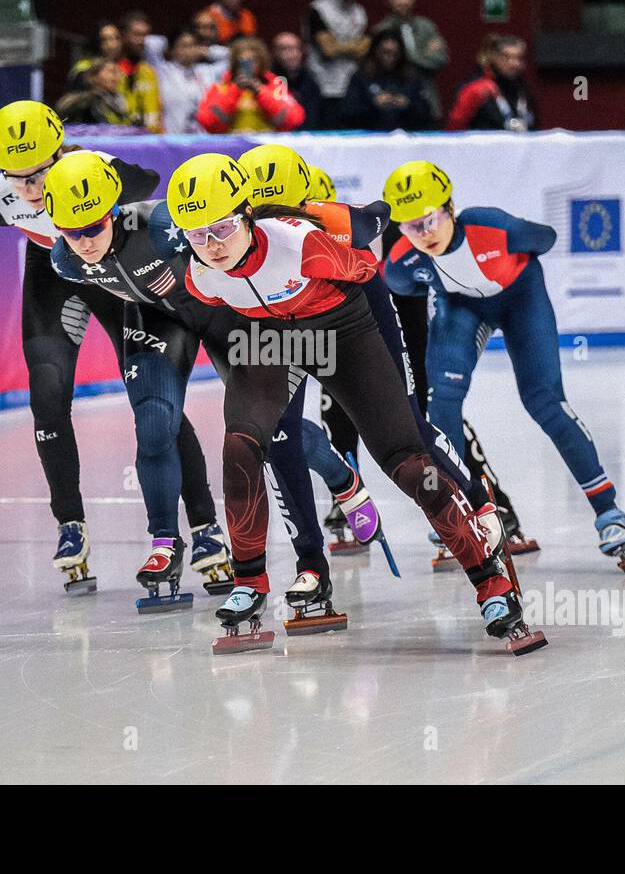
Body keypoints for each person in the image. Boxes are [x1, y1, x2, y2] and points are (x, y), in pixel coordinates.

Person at [167, 153, 547, 654]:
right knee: (240, 447)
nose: (212, 246)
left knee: (407, 462)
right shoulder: (200, 273)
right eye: (197, 235)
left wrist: (339, 228)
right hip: (272, 338)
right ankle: (249, 581)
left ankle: (488, 577)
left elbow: (368, 266)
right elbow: (214, 307)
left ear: (247, 214)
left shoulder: (302, 241)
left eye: (220, 228)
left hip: (343, 332)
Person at [40, 152, 361, 622]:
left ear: (112, 210)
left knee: (271, 432)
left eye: (93, 227)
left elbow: (229, 222)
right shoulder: (65, 260)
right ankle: (165, 542)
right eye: (73, 232)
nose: (85, 241)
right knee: (153, 421)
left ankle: (340, 476)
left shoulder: (163, 225)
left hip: (222, 314)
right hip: (158, 322)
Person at [0, 101, 230, 590]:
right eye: (17, 178)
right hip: (56, 275)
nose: (29, 191)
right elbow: (15, 209)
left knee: (155, 404)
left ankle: (203, 525)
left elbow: (151, 187)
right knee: (47, 394)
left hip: (115, 276)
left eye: (40, 175)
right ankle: (69, 524)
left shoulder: (101, 171)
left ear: (61, 154)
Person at [233, 144, 513, 564]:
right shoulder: (232, 236)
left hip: (356, 318)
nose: (273, 224)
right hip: (284, 324)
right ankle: (335, 500)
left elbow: (381, 217)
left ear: (302, 201)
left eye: (282, 211)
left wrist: (345, 224)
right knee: (281, 431)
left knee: (407, 423)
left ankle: (476, 494)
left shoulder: (329, 218)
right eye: (261, 212)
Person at [381, 160, 625, 573]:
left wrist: (505, 264)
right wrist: (442, 288)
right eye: (410, 227)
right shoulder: (402, 261)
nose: (424, 235)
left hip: (521, 297)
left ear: (450, 207)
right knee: (440, 407)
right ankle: (457, 509)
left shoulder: (492, 226)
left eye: (430, 220)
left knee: (544, 401)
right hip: (463, 308)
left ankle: (609, 514)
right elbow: (400, 284)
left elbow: (544, 238)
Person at [305, 0, 370, 129]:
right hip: (324, 87)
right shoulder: (318, 10)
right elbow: (328, 50)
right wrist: (354, 46)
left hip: (352, 86)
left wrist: (339, 45)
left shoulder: (359, 11)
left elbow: (366, 49)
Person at [373, 0, 449, 121]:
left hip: (427, 98)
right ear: (388, 0)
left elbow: (441, 59)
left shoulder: (427, 27)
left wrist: (406, 56)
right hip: (394, 100)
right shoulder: (381, 30)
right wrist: (422, 54)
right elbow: (385, 64)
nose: (402, 1)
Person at [196, 37, 305, 133]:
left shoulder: (275, 86)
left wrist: (260, 92)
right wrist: (235, 91)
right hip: (232, 149)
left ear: (262, 61)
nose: (249, 65)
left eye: (254, 60)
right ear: (235, 62)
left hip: (266, 148)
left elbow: (295, 119)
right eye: (243, 61)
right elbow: (207, 122)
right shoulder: (222, 87)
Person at [340, 28, 435, 131]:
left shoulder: (411, 77)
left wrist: (408, 105)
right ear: (375, 51)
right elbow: (348, 112)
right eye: (385, 52)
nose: (389, 57)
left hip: (405, 136)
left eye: (395, 53)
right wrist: (373, 104)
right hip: (369, 135)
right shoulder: (361, 76)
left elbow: (426, 114)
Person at [447, 34, 536, 131]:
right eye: (506, 57)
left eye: (519, 58)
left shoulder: (523, 88)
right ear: (493, 57)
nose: (514, 63)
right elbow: (454, 129)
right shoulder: (475, 89)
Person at [149, 28, 217, 134]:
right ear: (172, 50)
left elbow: (227, 57)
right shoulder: (163, 70)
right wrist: (167, 43)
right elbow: (151, 43)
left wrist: (207, 51)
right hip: (173, 139)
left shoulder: (206, 71)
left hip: (201, 140)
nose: (189, 50)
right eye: (184, 46)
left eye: (193, 45)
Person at [116, 11, 163, 133]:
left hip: (149, 143)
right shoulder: (110, 71)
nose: (141, 40)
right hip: (117, 142)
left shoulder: (149, 72)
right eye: (136, 34)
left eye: (144, 35)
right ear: (123, 35)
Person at [54, 59, 131, 126]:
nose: (117, 77)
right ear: (93, 77)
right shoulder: (81, 103)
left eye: (118, 72)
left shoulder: (118, 102)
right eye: (111, 72)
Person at [270, 32, 322, 130]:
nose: (290, 54)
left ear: (301, 52)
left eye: (294, 48)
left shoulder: (311, 81)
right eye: (284, 49)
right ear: (274, 53)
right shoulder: (267, 80)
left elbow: (314, 118)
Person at [66, 21, 123, 91]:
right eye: (105, 39)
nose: (113, 44)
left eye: (117, 38)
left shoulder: (121, 69)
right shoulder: (84, 69)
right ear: (97, 42)